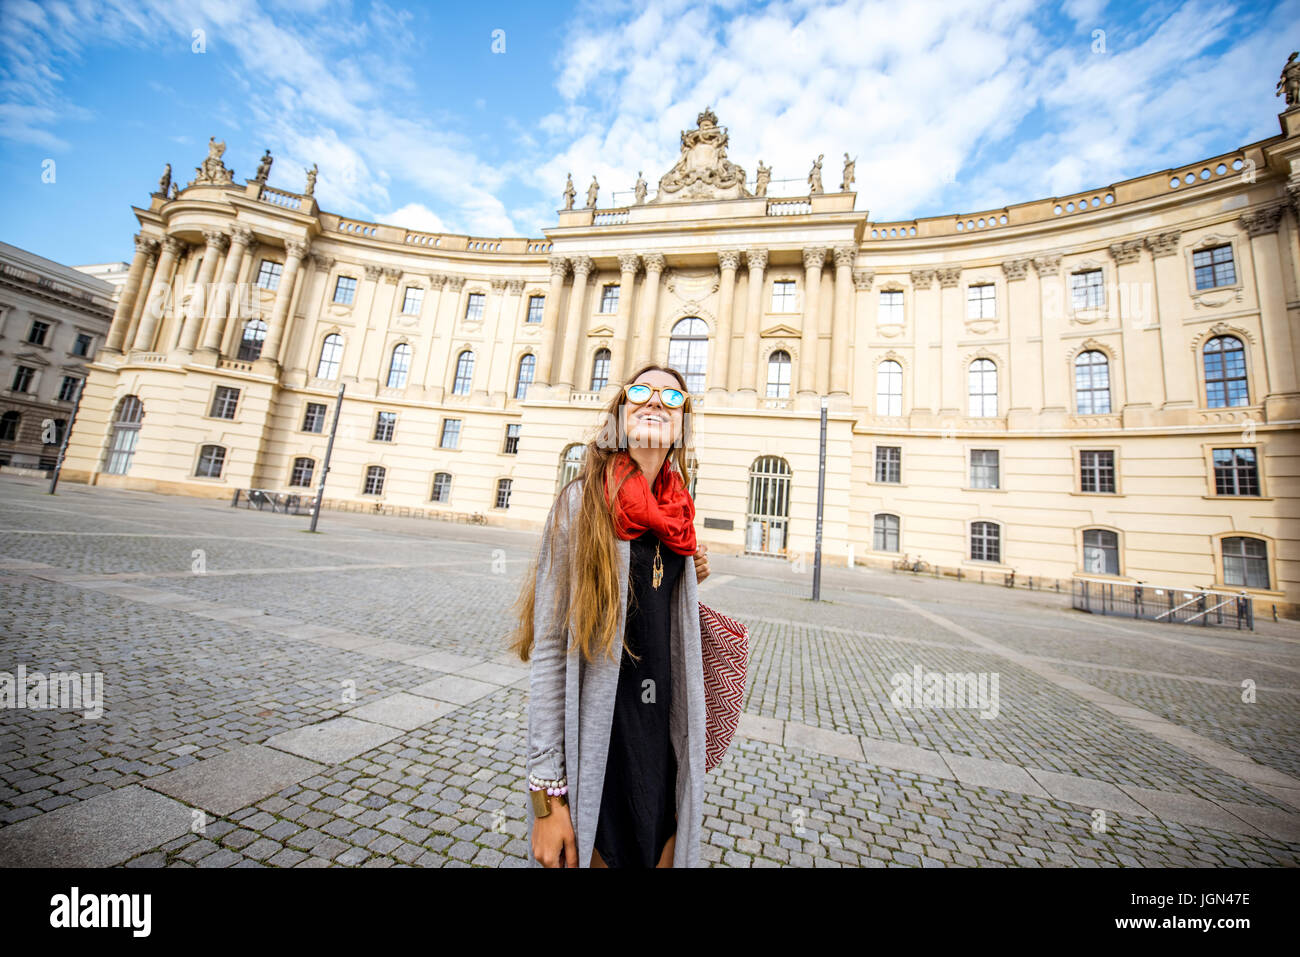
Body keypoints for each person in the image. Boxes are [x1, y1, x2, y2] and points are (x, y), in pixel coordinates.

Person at [510, 363, 711, 867]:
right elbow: (553, 649)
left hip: (661, 751)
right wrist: (546, 802)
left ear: (684, 423)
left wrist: (684, 586)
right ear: (619, 417)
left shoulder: (679, 517)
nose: (655, 401)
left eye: (672, 396)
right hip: (602, 752)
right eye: (640, 391)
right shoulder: (580, 504)